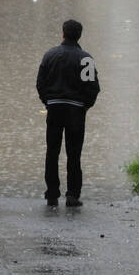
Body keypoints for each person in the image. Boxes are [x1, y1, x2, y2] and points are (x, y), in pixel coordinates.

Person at [36, 19, 101, 207]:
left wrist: (48, 102)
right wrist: (85, 106)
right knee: (74, 154)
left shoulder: (50, 55)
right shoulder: (85, 59)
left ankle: (52, 194)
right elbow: (92, 88)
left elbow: (41, 83)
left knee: (52, 152)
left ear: (62, 33)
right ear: (79, 35)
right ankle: (73, 195)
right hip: (76, 110)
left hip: (55, 108)